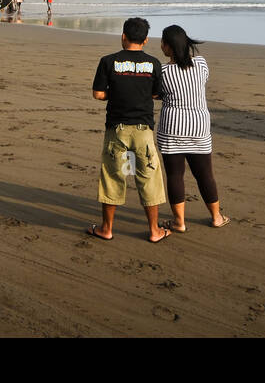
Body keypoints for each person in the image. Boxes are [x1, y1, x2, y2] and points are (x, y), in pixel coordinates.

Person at [89, 17, 169, 243]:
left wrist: (117, 93)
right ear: (145, 40)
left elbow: (98, 94)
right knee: (148, 178)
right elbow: (156, 94)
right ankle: (154, 230)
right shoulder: (153, 63)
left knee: (113, 177)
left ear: (123, 36)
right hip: (143, 130)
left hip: (117, 129)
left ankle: (107, 228)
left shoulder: (108, 61)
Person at [156, 25, 228, 232]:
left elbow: (158, 94)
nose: (161, 46)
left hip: (172, 127)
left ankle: (179, 222)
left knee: (175, 175)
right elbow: (201, 82)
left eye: (163, 42)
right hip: (198, 126)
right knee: (205, 174)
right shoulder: (201, 64)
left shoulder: (163, 71)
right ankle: (216, 217)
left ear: (168, 46)